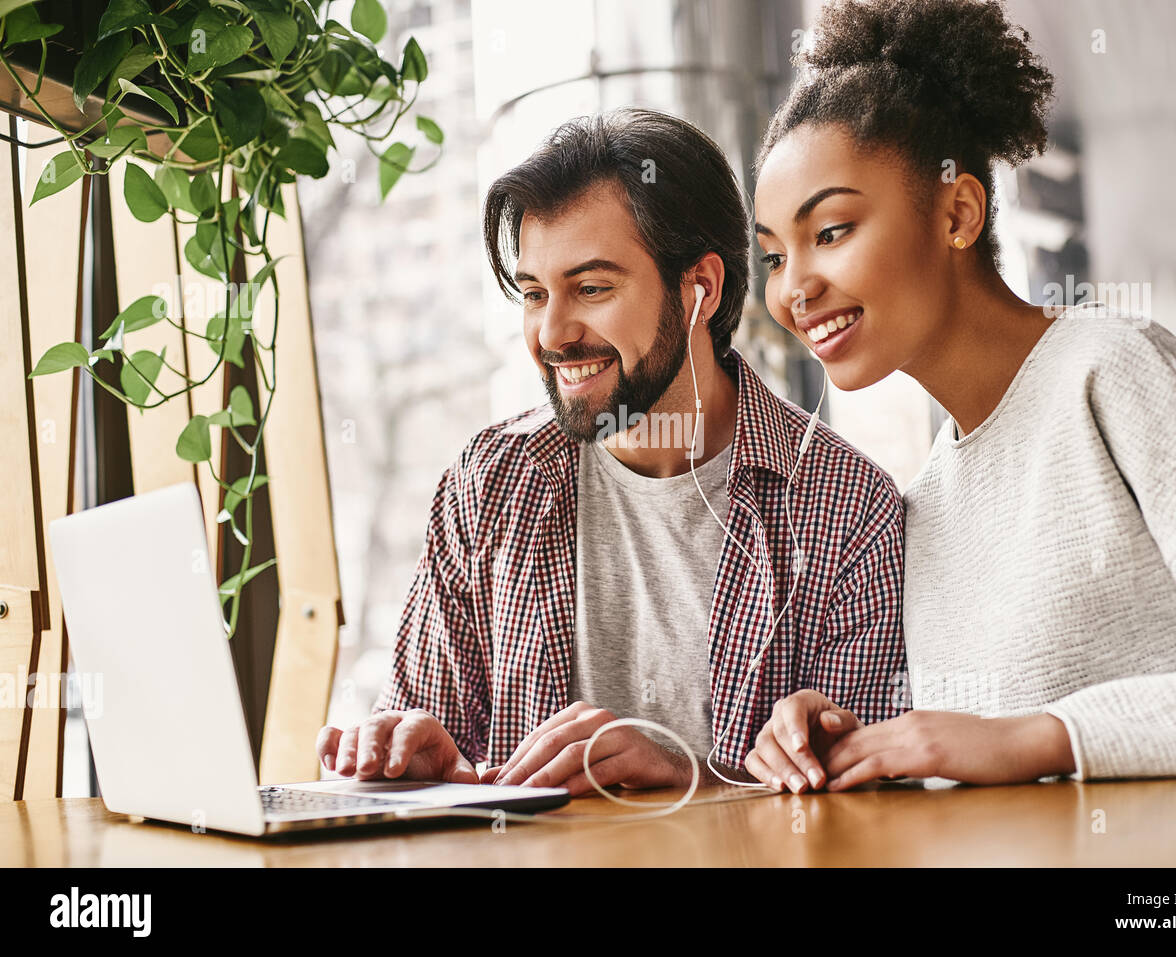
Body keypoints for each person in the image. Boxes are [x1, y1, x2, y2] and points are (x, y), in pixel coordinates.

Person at [745, 0, 1176, 790]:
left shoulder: (1114, 374)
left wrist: (1043, 738)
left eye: (830, 231)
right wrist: (844, 734)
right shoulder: (931, 496)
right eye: (772, 255)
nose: (794, 287)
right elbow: (985, 743)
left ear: (958, 213)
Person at [318, 108, 907, 795]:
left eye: (591, 288)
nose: (552, 333)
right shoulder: (489, 482)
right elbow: (431, 740)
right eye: (535, 294)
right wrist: (412, 762)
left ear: (701, 289)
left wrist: (698, 778)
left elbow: (863, 816)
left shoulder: (847, 507)